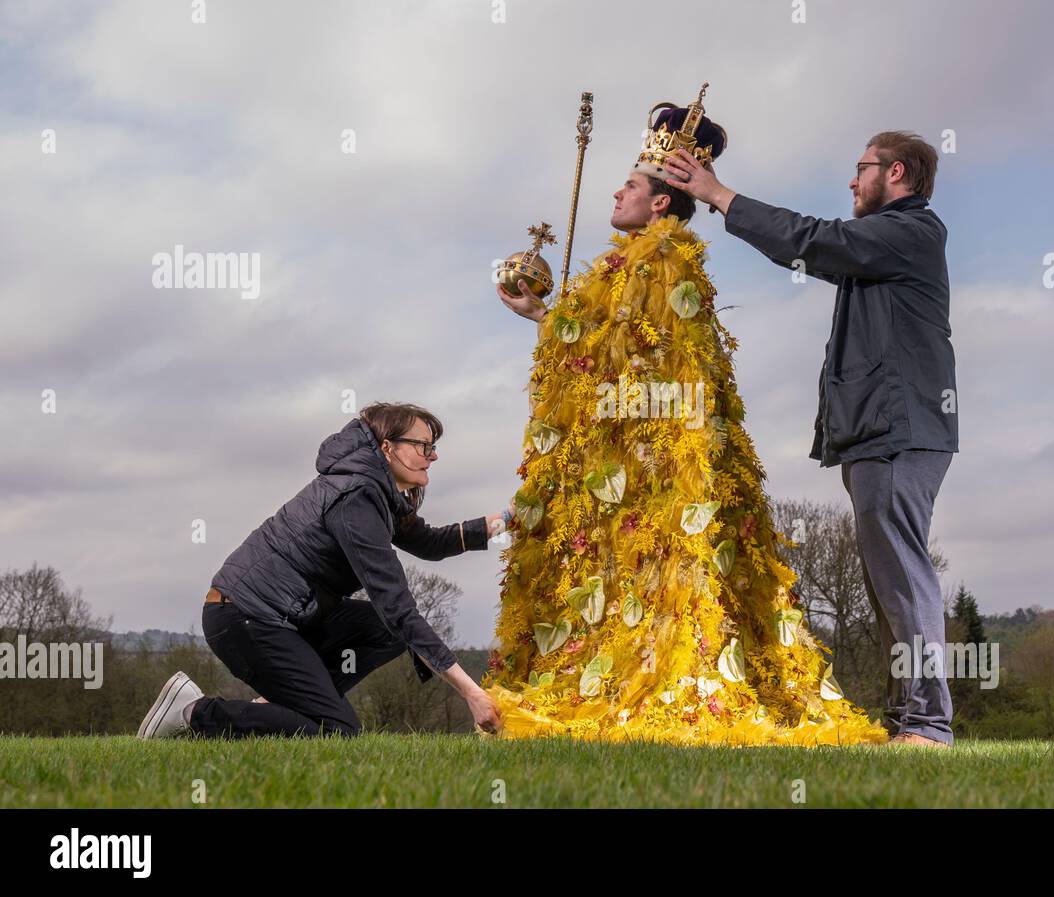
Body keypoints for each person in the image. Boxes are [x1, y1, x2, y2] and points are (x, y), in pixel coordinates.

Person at [488, 85, 889, 746]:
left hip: (663, 470)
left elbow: (651, 374)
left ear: (662, 200)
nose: (616, 197)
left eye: (628, 187)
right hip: (626, 469)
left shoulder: (670, 261)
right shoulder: (617, 268)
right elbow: (594, 355)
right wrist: (541, 315)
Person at [662, 131, 959, 748]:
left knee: (902, 575)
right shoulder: (879, 248)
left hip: (899, 432)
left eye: (861, 169)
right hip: (877, 434)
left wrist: (719, 195)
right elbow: (811, 251)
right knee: (887, 583)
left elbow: (813, 240)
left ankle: (928, 723)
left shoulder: (911, 232)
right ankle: (906, 720)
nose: (851, 182)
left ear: (896, 172)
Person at [137, 401, 507, 739]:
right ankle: (192, 712)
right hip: (246, 618)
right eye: (423, 445)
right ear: (387, 447)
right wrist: (471, 693)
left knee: (385, 631)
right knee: (338, 730)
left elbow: (430, 543)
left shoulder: (374, 492)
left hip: (288, 617)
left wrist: (508, 520)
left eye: (434, 446)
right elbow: (397, 605)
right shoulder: (356, 498)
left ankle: (286, 705)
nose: (434, 455)